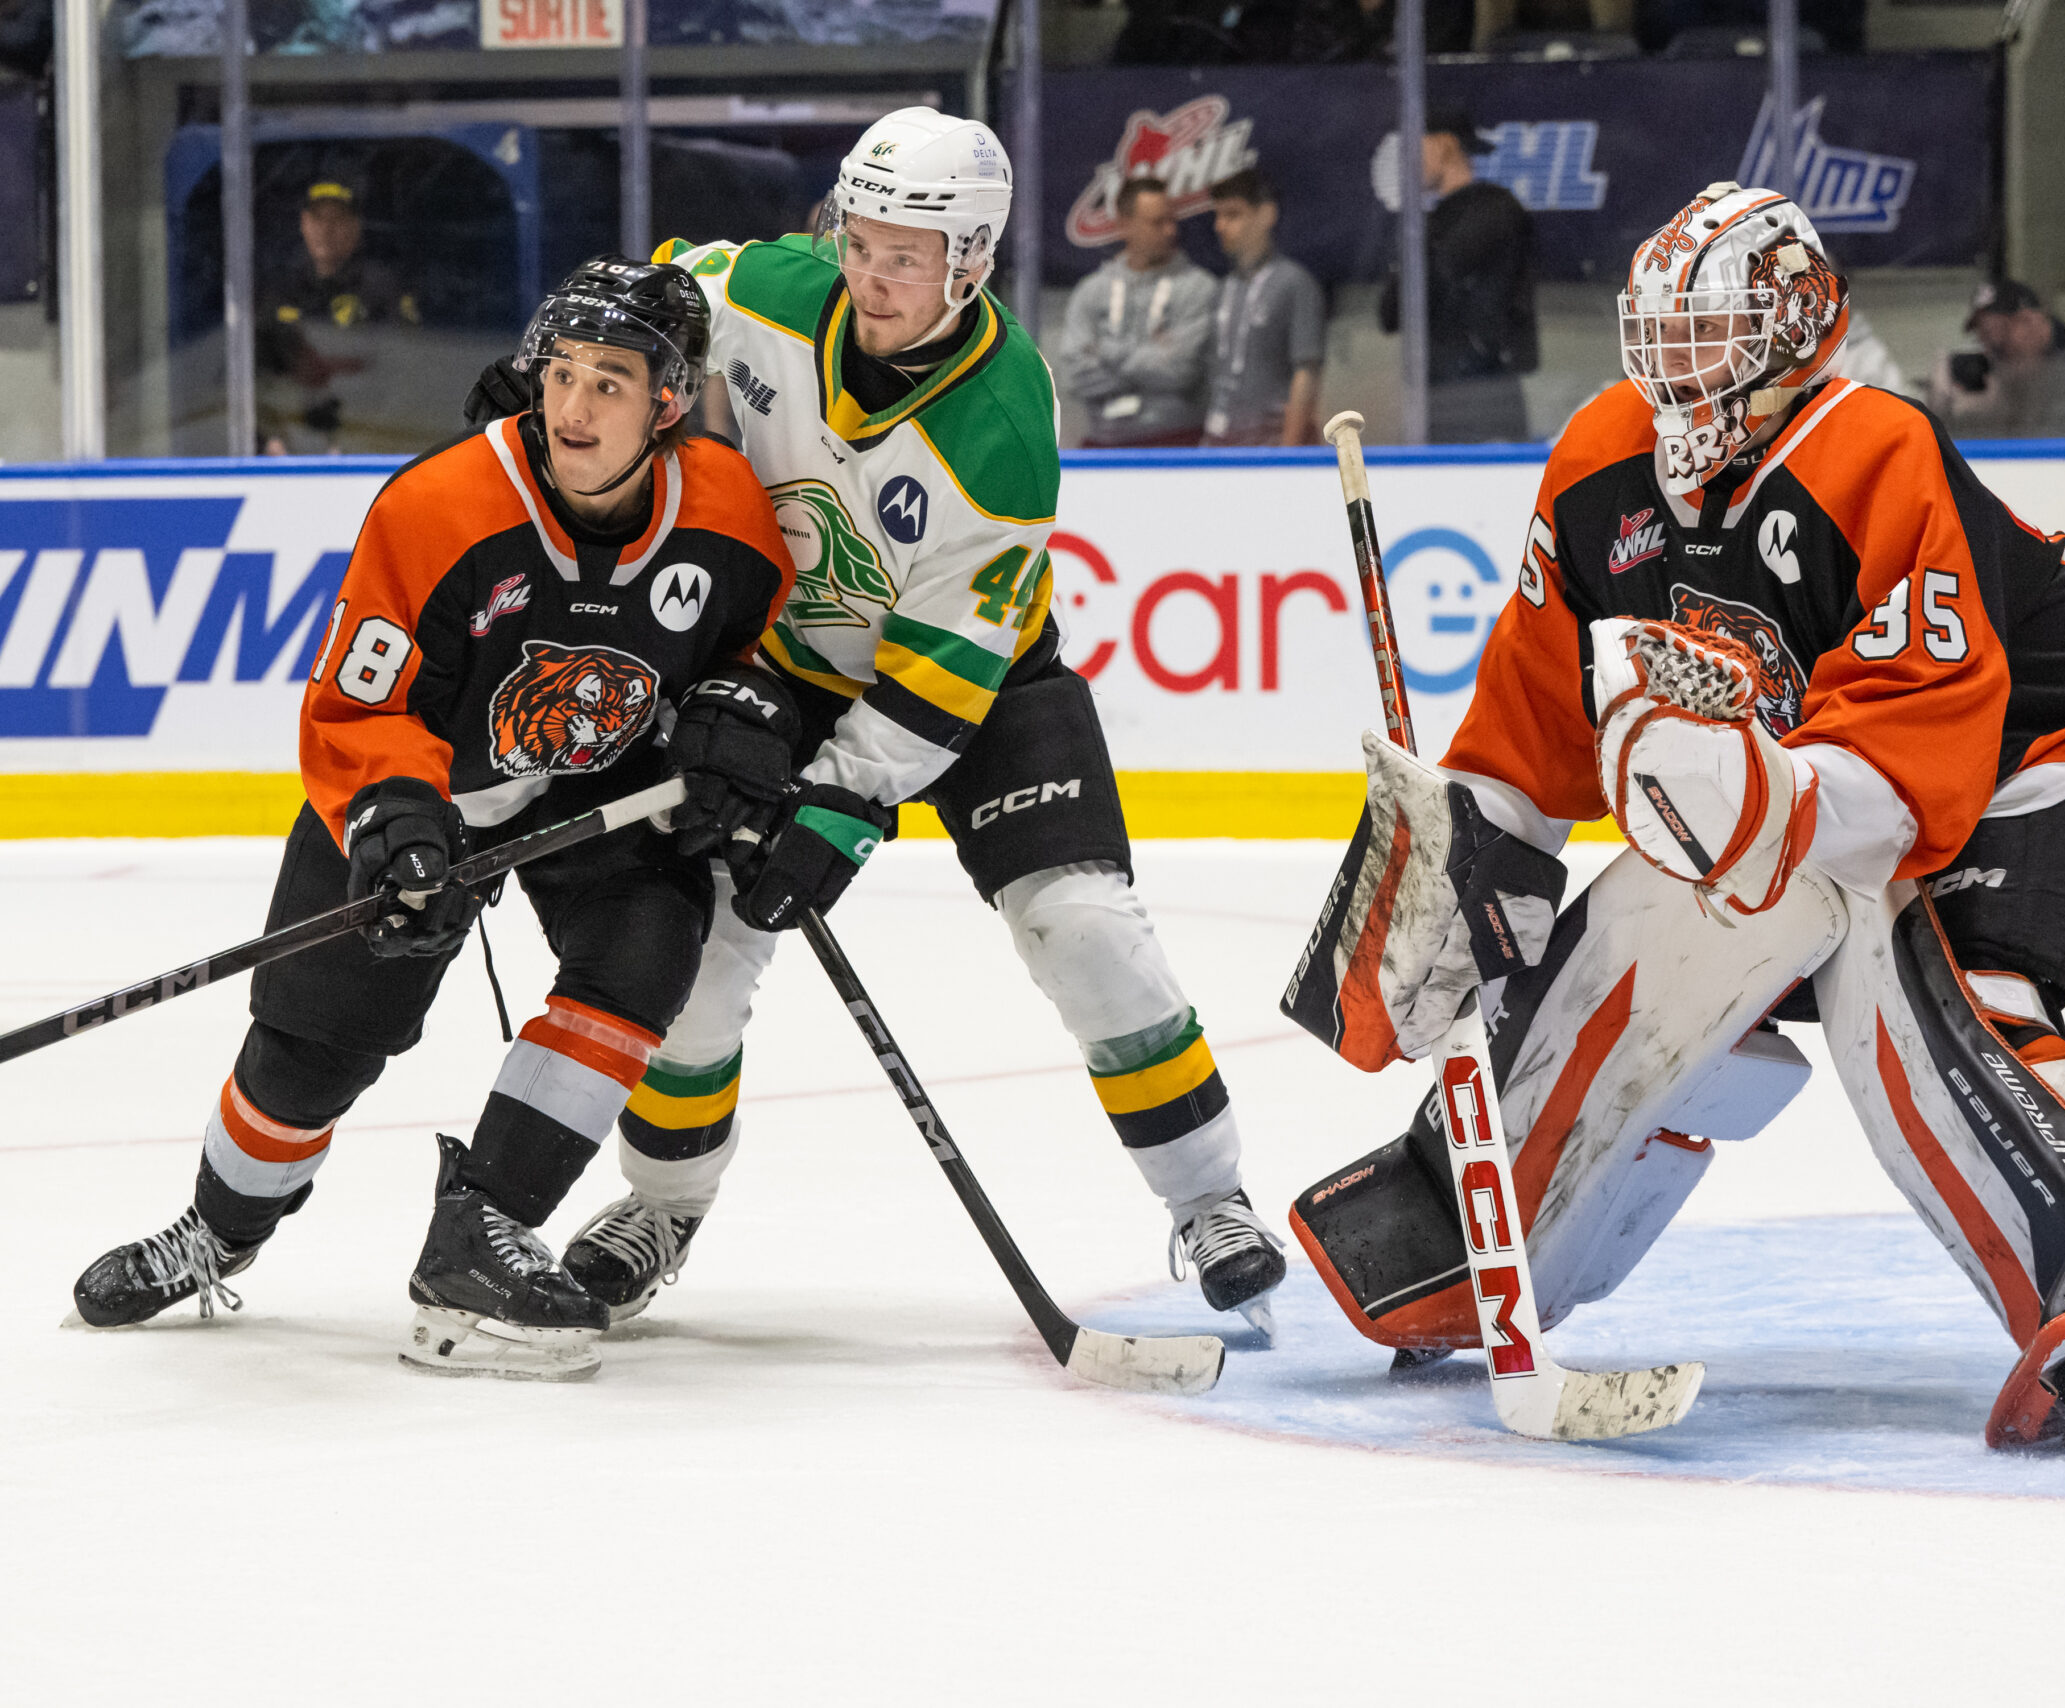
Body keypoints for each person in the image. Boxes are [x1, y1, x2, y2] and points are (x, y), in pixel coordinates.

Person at [1285, 182, 2065, 1448]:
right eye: (1658, 335)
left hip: (2030, 771)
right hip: (1810, 790)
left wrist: (1750, 804)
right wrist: (1463, 866)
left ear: (1797, 324)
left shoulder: (1874, 448)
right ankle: (1481, 1221)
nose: (1675, 370)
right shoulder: (1602, 463)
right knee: (1640, 948)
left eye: (1708, 336)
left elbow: (1904, 775)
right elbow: (1535, 720)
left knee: (1947, 998)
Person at [582, 108, 1285, 1330]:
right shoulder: (772, 292)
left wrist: (841, 809)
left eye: (905, 254)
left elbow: (941, 670)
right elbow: (657, 296)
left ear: (971, 259)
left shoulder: (1003, 424)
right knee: (699, 944)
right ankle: (659, 1206)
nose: (872, 274)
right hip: (790, 668)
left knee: (1083, 927)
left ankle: (1207, 1196)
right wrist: (590, 349)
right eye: (859, 242)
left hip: (982, 685)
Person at [70, 259, 799, 1382]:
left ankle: (484, 1230)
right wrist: (398, 821)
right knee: (310, 1051)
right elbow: (361, 700)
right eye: (560, 373)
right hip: (427, 793)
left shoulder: (728, 515)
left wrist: (745, 713)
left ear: (667, 401)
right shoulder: (439, 506)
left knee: (648, 951)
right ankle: (218, 1228)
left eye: (610, 382)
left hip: (597, 789)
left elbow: (758, 657)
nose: (572, 407)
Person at [1379, 108, 1539, 443]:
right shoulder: (1431, 223)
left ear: (1443, 146)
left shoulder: (1495, 210)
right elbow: (1391, 312)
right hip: (1435, 396)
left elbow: (1444, 270)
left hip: (1484, 395)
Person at [256, 180, 422, 453]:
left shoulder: (381, 287)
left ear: (355, 227)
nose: (326, 230)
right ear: (303, 224)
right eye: (317, 219)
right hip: (291, 447)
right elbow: (253, 370)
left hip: (366, 443)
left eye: (337, 220)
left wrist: (361, 439)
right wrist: (272, 436)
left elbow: (406, 374)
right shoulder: (281, 288)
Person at [1054, 176, 1218, 447]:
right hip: (1102, 443)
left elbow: (1179, 372)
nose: (1169, 231)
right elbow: (1074, 376)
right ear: (1124, 224)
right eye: (1157, 222)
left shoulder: (1199, 287)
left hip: (1175, 443)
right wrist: (1150, 361)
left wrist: (1105, 350)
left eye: (1171, 220)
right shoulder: (1092, 290)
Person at [1202, 168, 1327, 447]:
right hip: (1221, 440)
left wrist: (1288, 452)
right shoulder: (1223, 289)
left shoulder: (1295, 284)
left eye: (1232, 215)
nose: (1220, 226)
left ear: (1266, 215)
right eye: (1218, 216)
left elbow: (1306, 372)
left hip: (1270, 442)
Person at [1929, 277, 2065, 438]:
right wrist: (1942, 411)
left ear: (2029, 322)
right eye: (1982, 339)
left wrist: (1991, 415)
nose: (1991, 354)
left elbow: (2050, 457)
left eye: (1998, 338)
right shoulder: (2034, 376)